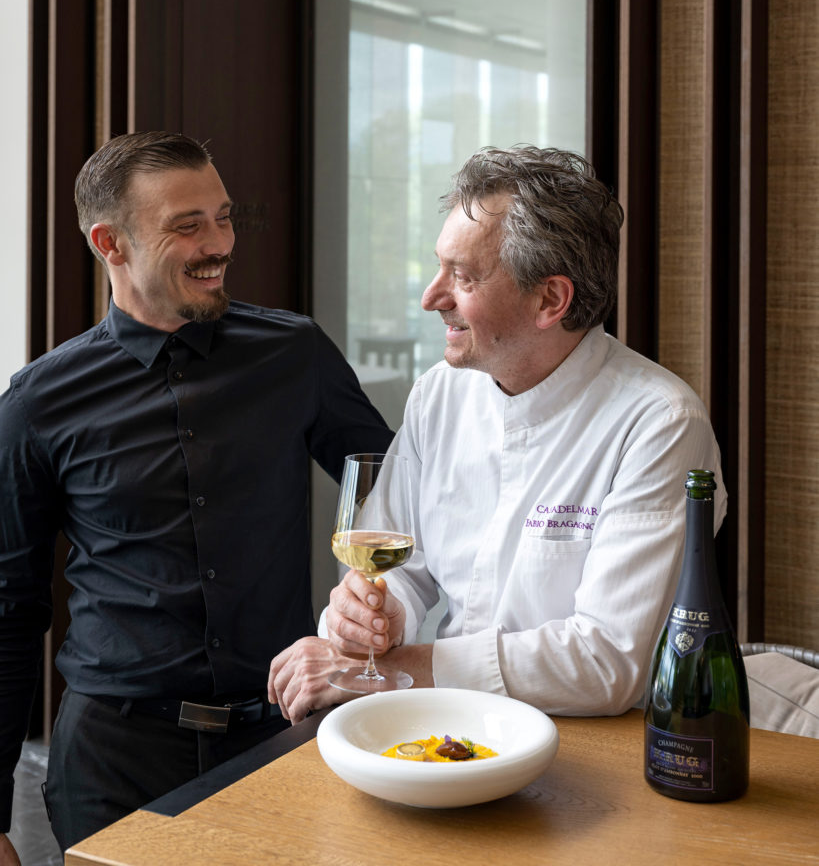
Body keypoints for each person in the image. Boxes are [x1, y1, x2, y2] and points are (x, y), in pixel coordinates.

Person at [0, 131, 393, 861]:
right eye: (188, 225)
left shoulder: (295, 355)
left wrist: (373, 619)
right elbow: (8, 607)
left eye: (223, 216)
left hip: (280, 736)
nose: (219, 243)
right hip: (112, 758)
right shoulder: (37, 402)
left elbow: (397, 496)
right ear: (110, 242)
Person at [268, 145, 727, 725]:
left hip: (602, 748)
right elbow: (396, 571)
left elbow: (606, 661)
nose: (431, 297)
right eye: (438, 267)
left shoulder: (659, 423)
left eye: (461, 277)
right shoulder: (438, 394)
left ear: (550, 299)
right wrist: (368, 618)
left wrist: (391, 673)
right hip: (450, 729)